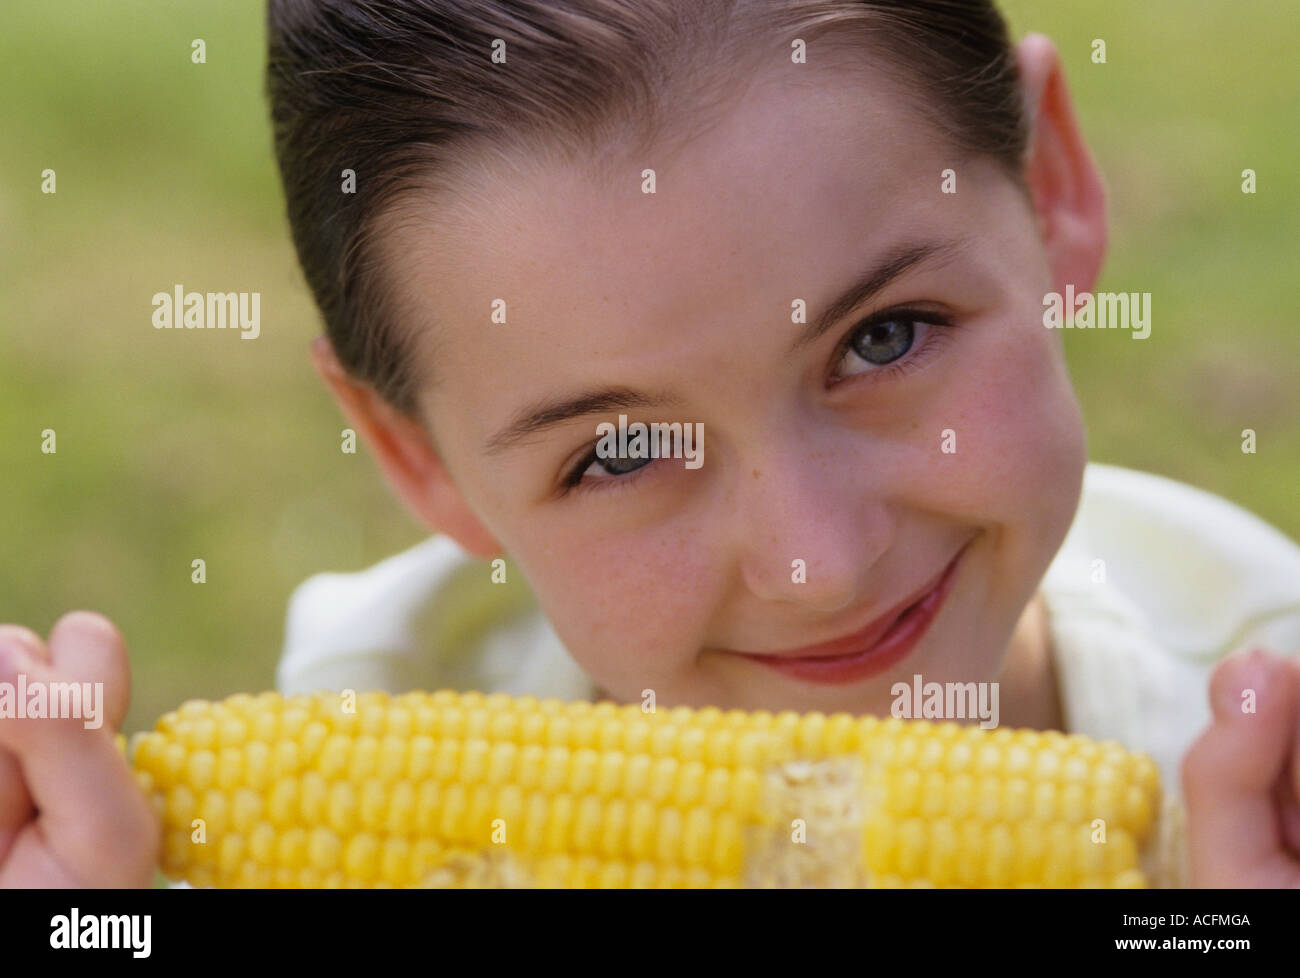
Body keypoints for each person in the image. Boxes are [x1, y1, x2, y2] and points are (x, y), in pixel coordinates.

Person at [2, 0, 1297, 888]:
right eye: (617, 453)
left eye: (889, 335)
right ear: (421, 461)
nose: (818, 562)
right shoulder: (363, 758)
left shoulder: (1266, 737)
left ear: (1053, 184)